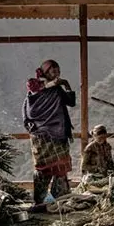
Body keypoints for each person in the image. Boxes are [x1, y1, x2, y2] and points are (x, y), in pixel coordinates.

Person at [22, 59, 75, 203]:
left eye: (58, 70)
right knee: (42, 169)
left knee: (60, 167)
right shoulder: (34, 83)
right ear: (45, 72)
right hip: (42, 136)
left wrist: (67, 85)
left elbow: (71, 102)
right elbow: (35, 89)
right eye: (53, 70)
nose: (57, 73)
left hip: (59, 134)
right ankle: (39, 200)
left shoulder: (57, 89)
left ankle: (61, 199)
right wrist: (54, 84)